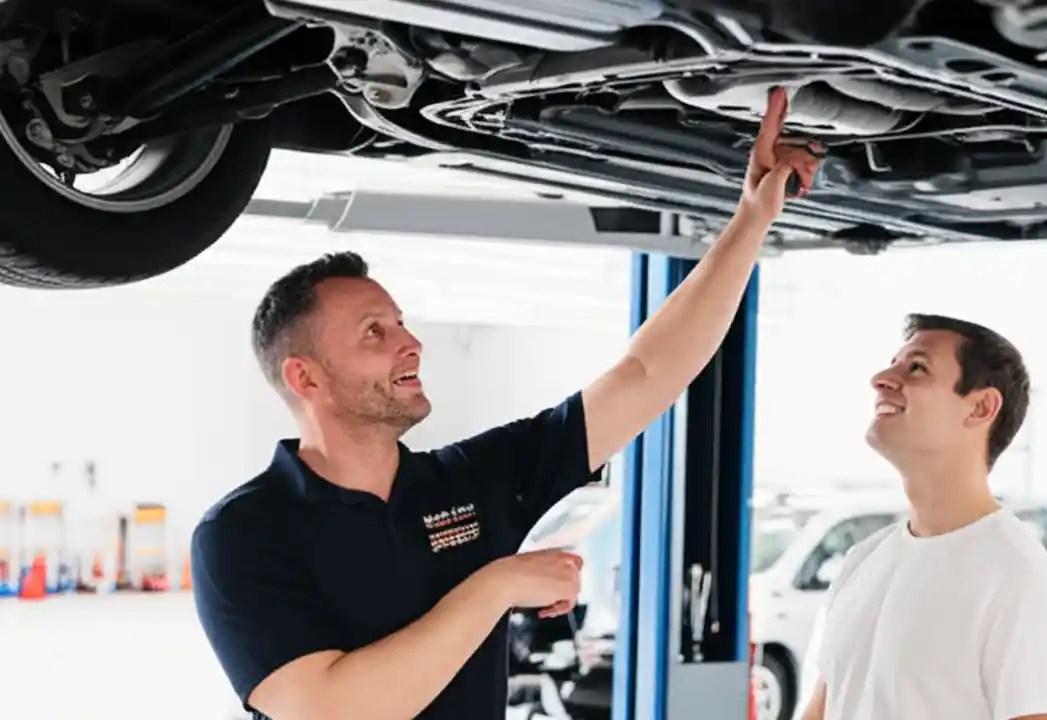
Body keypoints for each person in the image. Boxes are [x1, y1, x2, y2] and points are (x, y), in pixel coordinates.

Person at [190, 87, 821, 720]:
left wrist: (751, 219)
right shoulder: (244, 534)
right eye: (374, 334)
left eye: (401, 323)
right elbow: (332, 708)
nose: (410, 344)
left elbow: (647, 374)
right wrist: (496, 585)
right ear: (306, 378)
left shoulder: (472, 480)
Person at [800, 314, 1047, 720]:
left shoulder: (1017, 578)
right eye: (893, 363)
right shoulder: (864, 560)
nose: (881, 378)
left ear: (982, 407)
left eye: (916, 367)